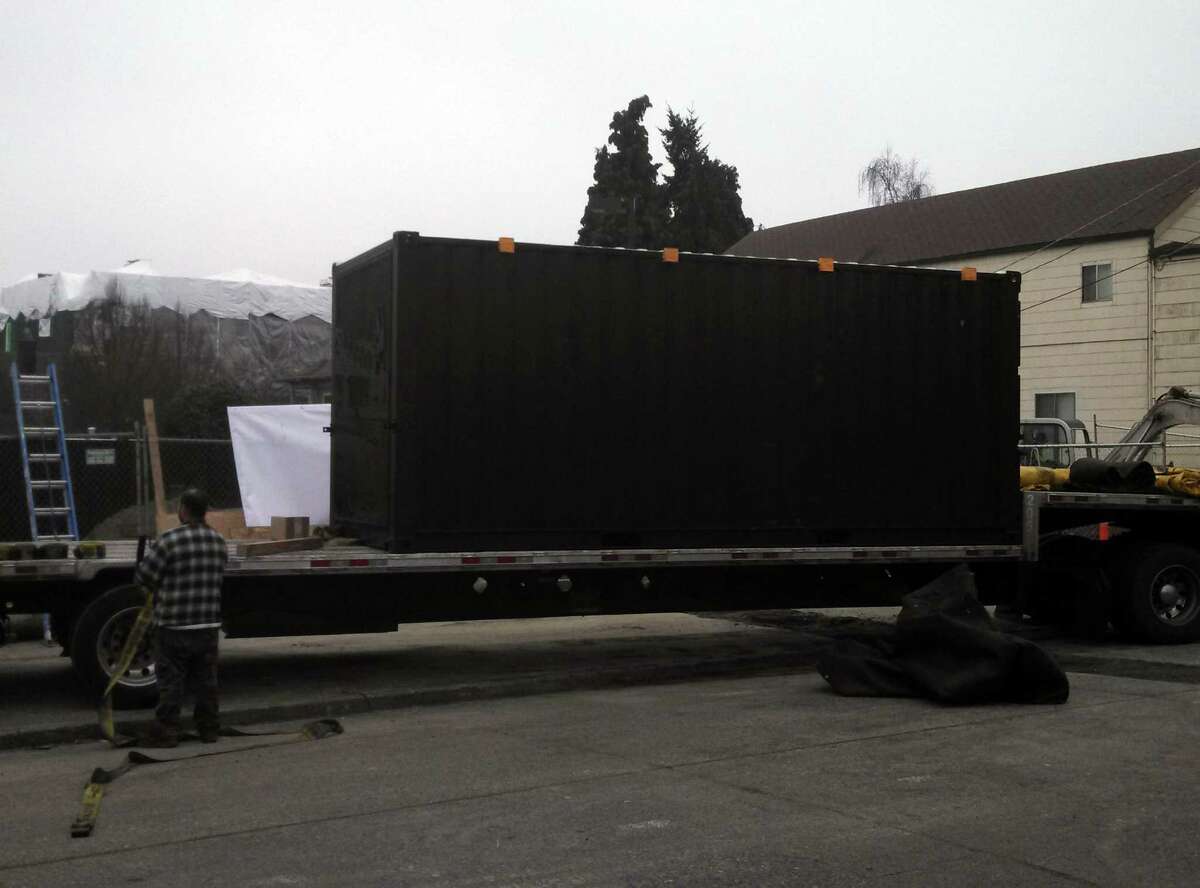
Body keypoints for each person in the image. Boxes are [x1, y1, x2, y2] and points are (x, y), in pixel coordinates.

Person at [134, 488, 228, 747]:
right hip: (207, 625)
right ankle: (209, 729)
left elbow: (144, 577)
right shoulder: (218, 541)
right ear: (205, 511)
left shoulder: (169, 540)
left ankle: (167, 731)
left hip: (173, 627)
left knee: (171, 681)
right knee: (206, 681)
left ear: (184, 510)